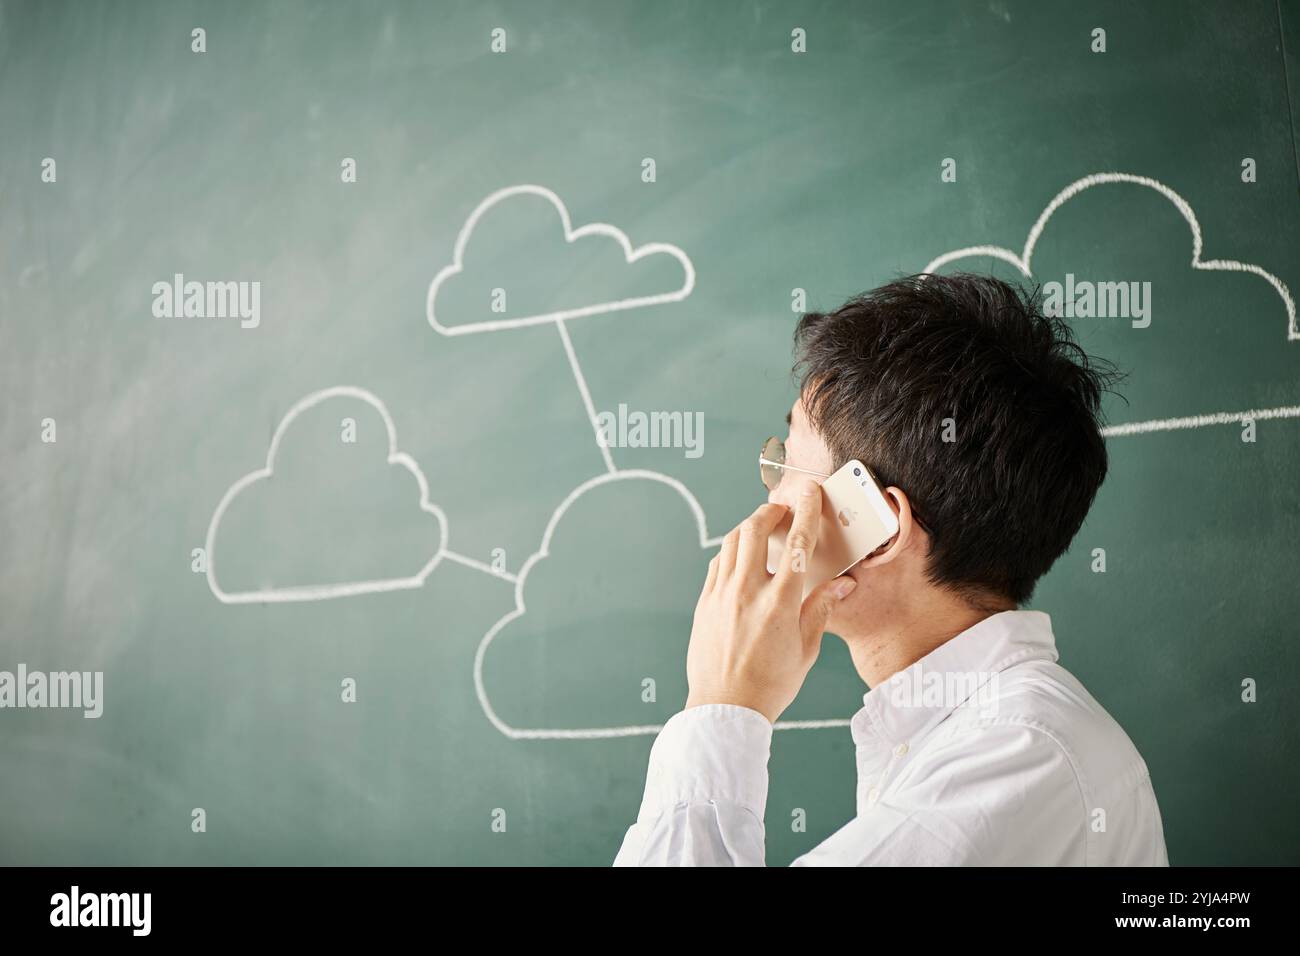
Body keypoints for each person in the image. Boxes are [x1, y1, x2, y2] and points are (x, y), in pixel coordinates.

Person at [613, 274, 1168, 866]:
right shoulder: (998, 736)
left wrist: (720, 710)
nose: (770, 495)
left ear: (875, 528)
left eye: (787, 465)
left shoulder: (1011, 762)